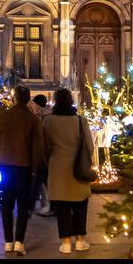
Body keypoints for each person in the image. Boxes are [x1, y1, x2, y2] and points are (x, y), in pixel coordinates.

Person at [0, 85, 45, 255]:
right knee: (23, 206)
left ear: (14, 98)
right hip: (25, 168)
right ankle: (19, 242)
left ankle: (7, 241)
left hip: (5, 166)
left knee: (6, 204)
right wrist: (35, 169)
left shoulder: (2, 118)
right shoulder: (33, 120)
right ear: (27, 99)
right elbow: (38, 148)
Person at [43, 88, 96, 253]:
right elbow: (89, 145)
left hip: (57, 168)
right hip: (77, 167)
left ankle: (66, 242)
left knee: (62, 206)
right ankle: (81, 240)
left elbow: (43, 146)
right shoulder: (80, 121)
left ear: (56, 101)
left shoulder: (48, 121)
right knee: (81, 204)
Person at [31, 94, 52, 216]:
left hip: (44, 154)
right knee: (43, 181)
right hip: (44, 154)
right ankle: (46, 204)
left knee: (43, 181)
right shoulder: (43, 116)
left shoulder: (44, 117)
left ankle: (47, 205)